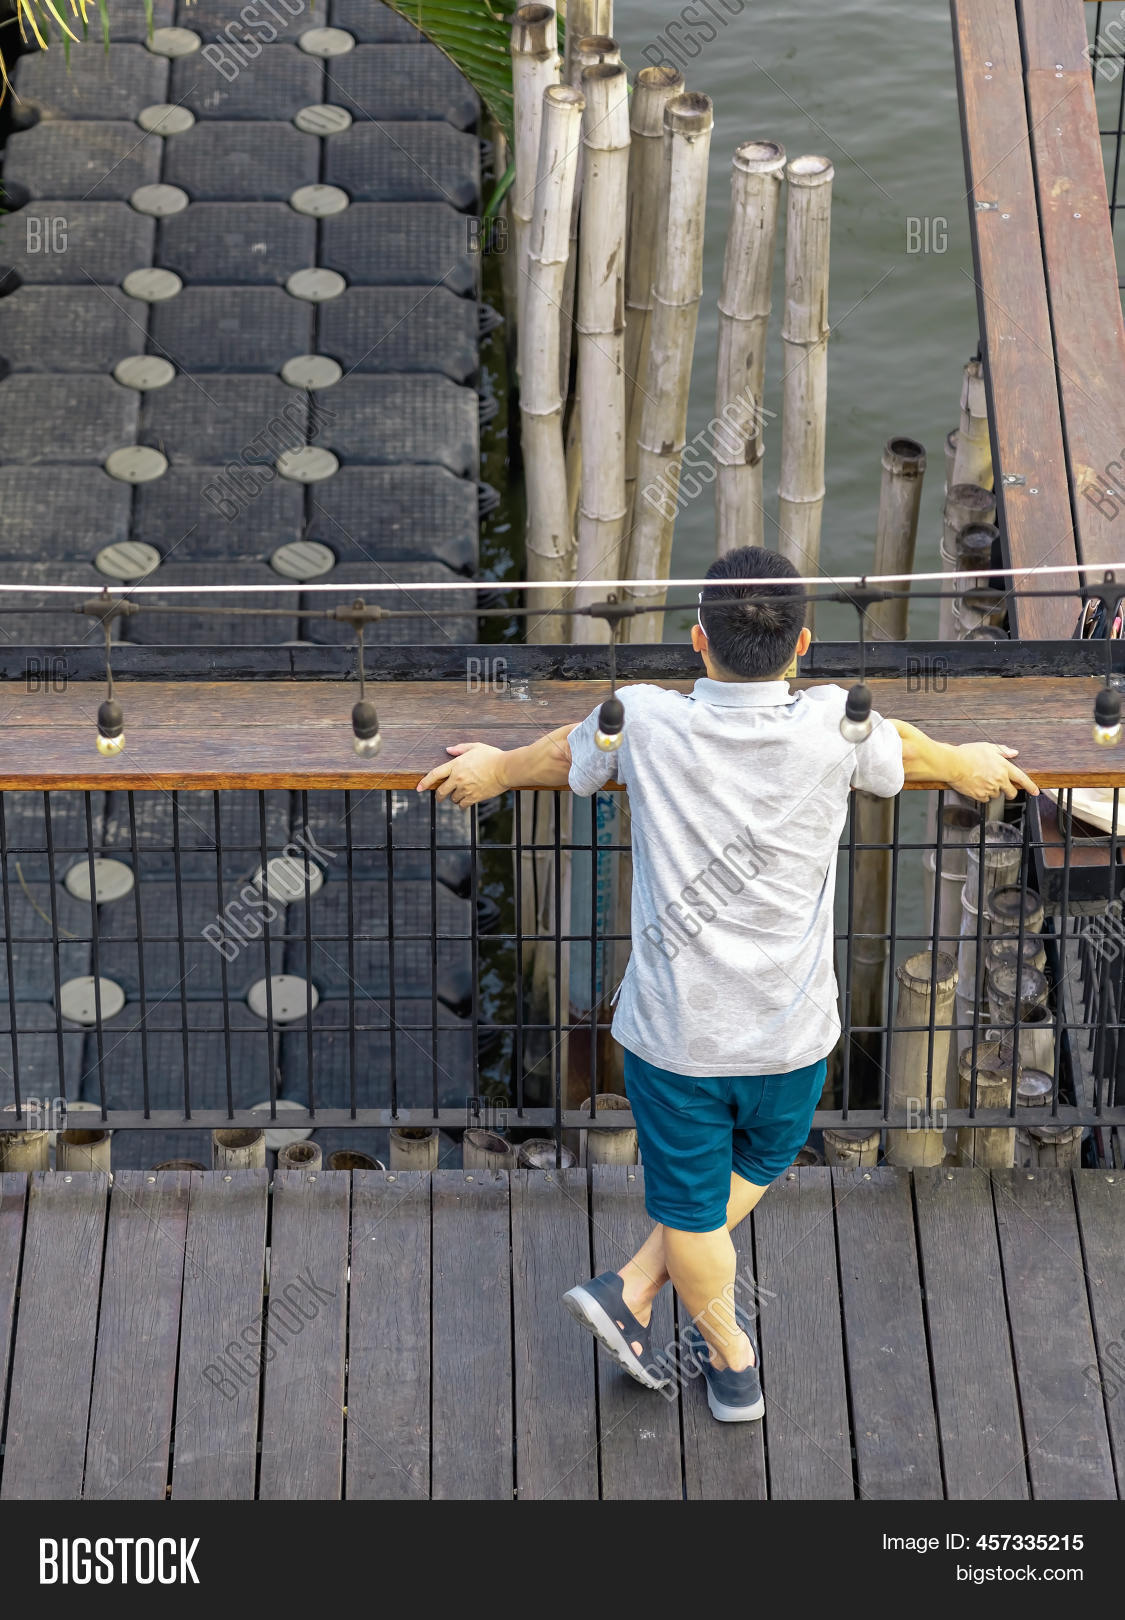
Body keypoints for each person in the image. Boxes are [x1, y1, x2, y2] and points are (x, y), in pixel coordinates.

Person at [417, 546, 1038, 1423]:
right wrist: (967, 757)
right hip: (790, 1033)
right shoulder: (833, 722)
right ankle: (692, 1334)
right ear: (804, 646)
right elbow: (907, 750)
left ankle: (714, 1351)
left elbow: (567, 756)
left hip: (672, 1037)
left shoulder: (643, 718)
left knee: (694, 1208)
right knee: (763, 1160)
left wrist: (494, 767)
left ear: (696, 640)